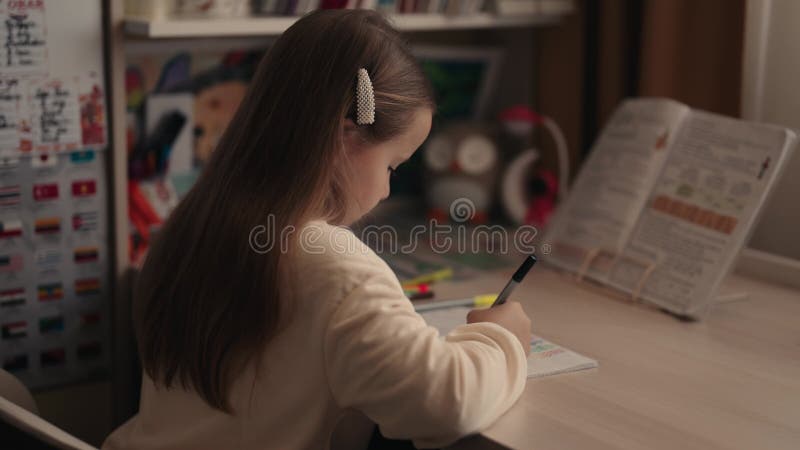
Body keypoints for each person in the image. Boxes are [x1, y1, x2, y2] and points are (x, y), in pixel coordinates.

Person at [104, 9, 532, 450]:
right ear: (344, 139)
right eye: (391, 166)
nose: (386, 189)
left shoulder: (191, 225)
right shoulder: (334, 268)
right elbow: (447, 402)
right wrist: (500, 340)